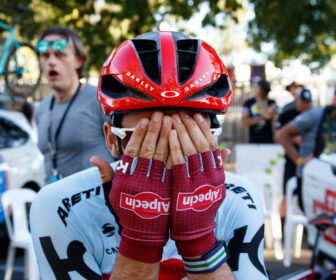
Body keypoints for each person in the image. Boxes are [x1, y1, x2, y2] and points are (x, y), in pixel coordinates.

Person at [30, 31, 267, 279]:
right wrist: (140, 242)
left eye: (187, 136)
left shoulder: (241, 196)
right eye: (148, 139)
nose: (170, 152)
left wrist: (200, 242)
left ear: (212, 139)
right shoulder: (58, 205)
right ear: (111, 139)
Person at [34, 26, 114, 183]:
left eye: (59, 55)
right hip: (57, 204)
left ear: (79, 60)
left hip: (98, 204)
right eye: (45, 55)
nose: (51, 61)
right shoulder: (40, 109)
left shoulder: (101, 100)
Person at [275, 90, 336, 211]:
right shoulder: (316, 115)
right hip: (312, 177)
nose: (305, 104)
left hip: (329, 176)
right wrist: (298, 159)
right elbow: (280, 135)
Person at [274, 88, 312, 216]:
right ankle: (284, 226)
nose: (305, 105)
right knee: (287, 194)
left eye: (308, 102)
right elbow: (277, 136)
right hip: (292, 160)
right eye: (303, 101)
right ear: (297, 100)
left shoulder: (313, 115)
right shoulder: (287, 115)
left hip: (309, 162)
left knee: (307, 195)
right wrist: (294, 139)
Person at [241, 79, 278, 143]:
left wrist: (259, 99)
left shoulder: (272, 102)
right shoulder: (248, 103)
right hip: (253, 139)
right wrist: (262, 117)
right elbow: (244, 122)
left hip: (268, 139)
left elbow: (268, 116)